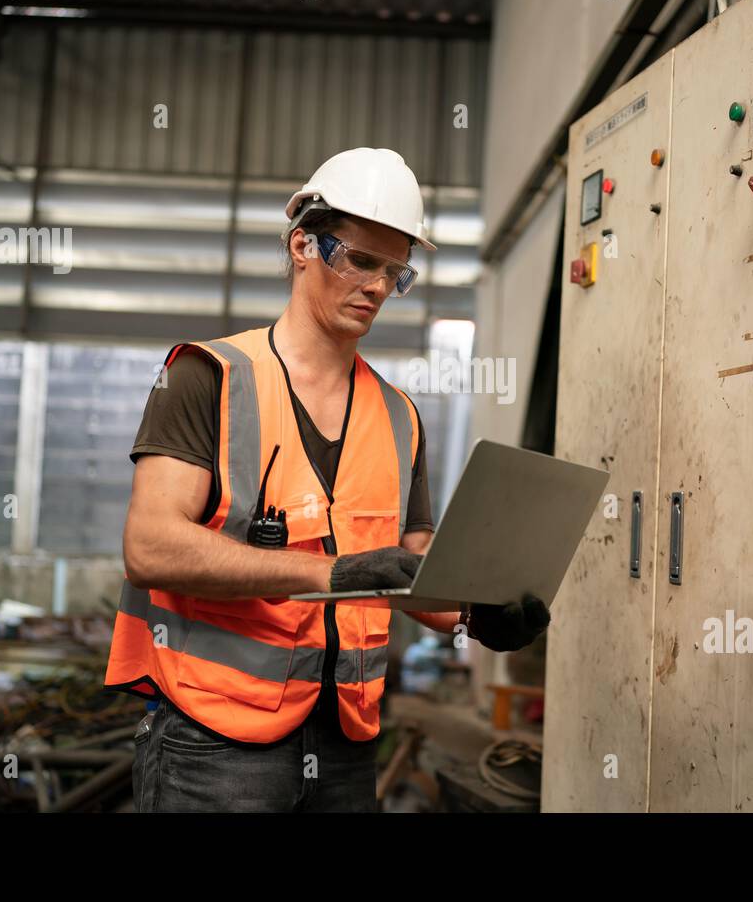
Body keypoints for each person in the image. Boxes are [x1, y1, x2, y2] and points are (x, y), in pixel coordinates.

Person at [104, 147, 550, 812]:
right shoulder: (206, 378)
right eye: (359, 259)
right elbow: (149, 548)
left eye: (395, 272)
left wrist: (474, 612)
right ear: (302, 245)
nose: (375, 286)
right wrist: (324, 574)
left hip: (344, 741)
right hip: (213, 740)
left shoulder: (399, 415)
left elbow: (408, 567)